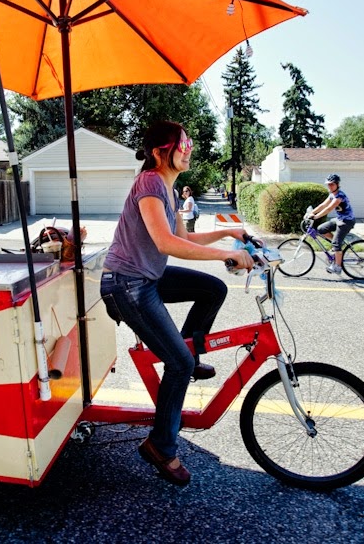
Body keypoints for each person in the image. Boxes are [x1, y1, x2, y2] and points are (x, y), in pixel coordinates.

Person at [99, 120, 254, 486]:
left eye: (189, 143)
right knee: (178, 364)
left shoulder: (167, 189)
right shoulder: (151, 181)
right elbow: (166, 244)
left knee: (213, 290)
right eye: (182, 143)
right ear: (159, 152)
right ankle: (161, 447)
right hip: (126, 283)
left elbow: (184, 236)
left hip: (146, 277)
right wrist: (223, 255)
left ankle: (189, 357)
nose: (188, 149)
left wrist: (229, 232)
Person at [307, 173, 355, 275]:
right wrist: (311, 213)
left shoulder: (339, 196)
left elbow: (329, 208)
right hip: (339, 219)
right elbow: (323, 205)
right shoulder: (332, 195)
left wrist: (316, 217)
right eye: (328, 184)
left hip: (347, 221)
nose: (330, 186)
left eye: (332, 184)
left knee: (336, 244)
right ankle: (338, 246)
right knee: (321, 229)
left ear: (337, 184)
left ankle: (337, 267)